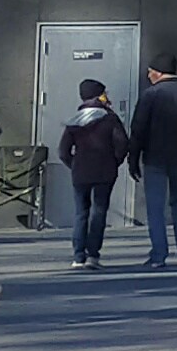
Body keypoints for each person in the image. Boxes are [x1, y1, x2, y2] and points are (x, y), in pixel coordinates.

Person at [128, 57, 177, 268]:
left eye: (150, 72)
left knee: (155, 206)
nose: (148, 76)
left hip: (155, 157)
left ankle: (159, 254)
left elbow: (138, 130)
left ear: (158, 72)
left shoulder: (150, 95)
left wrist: (133, 158)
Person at [57, 79, 129, 268]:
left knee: (81, 212)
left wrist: (75, 165)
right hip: (105, 172)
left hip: (80, 172)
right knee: (99, 211)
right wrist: (114, 162)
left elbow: (63, 152)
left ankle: (78, 256)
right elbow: (122, 144)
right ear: (100, 95)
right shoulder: (109, 118)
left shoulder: (75, 121)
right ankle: (93, 255)